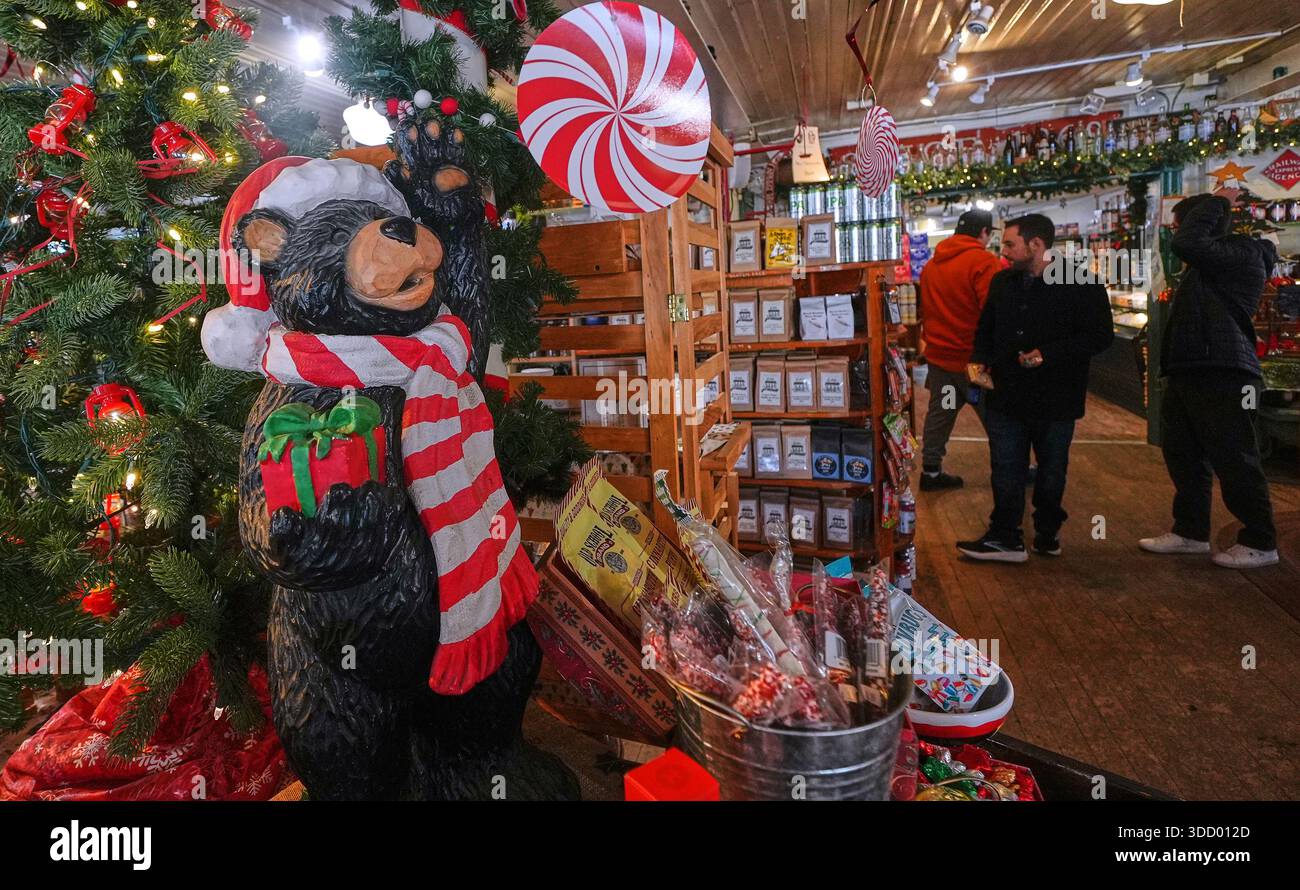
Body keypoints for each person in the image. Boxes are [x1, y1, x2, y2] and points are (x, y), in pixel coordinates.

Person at [957, 214, 1113, 562]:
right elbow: (986, 328)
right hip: (1007, 393)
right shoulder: (1003, 283)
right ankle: (1005, 536)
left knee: (1051, 469)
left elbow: (1101, 336)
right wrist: (978, 359)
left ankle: (1047, 531)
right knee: (1005, 467)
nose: (1004, 251)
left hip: (1056, 396)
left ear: (1036, 244)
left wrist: (1049, 354)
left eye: (1010, 244)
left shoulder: (1082, 284)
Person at [1139, 193, 1279, 568]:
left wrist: (1217, 201)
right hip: (1193, 368)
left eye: (1178, 224)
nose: (1175, 234)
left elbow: (1188, 241)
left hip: (1224, 370)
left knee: (1235, 457)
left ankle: (1260, 541)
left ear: (1205, 222)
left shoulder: (1244, 253)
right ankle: (1190, 532)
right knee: (1184, 455)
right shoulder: (1209, 263)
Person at [917, 208, 1002, 490]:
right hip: (974, 363)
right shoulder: (983, 263)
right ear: (984, 233)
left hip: (941, 360)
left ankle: (930, 472)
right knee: (996, 416)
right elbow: (992, 313)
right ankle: (1009, 469)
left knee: (941, 414)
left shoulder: (931, 265)